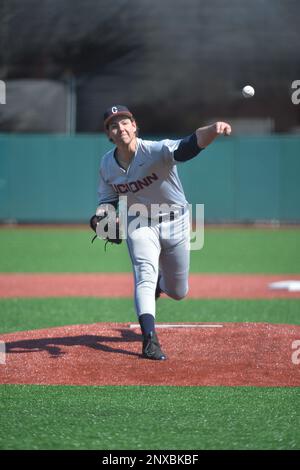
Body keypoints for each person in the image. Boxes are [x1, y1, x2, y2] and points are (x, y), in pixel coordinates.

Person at [93, 105, 231, 361]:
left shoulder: (155, 151)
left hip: (176, 220)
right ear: (109, 134)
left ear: (134, 126)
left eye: (124, 122)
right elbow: (108, 198)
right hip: (139, 222)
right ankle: (149, 340)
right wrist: (103, 216)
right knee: (144, 273)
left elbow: (191, 145)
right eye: (114, 125)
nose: (120, 128)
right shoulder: (106, 164)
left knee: (179, 292)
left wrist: (213, 129)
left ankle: (162, 284)